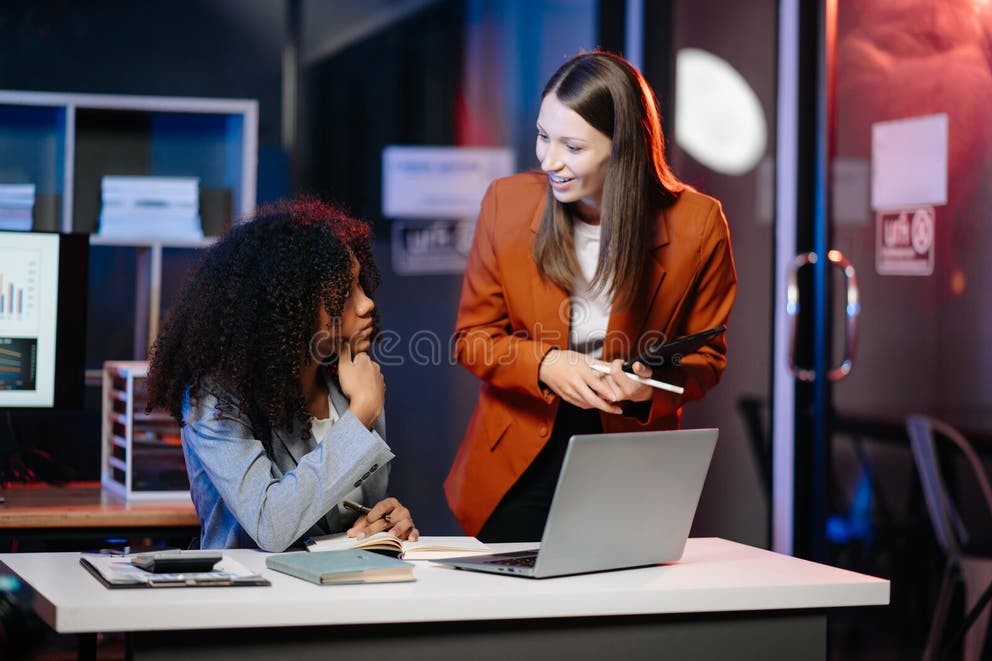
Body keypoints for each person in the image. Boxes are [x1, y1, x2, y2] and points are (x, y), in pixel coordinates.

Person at [444, 51, 738, 542]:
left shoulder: (699, 223)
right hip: (518, 456)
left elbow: (707, 358)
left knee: (619, 607)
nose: (548, 160)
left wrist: (650, 390)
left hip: (629, 457)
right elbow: (471, 338)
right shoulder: (506, 202)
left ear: (625, 147)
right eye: (543, 136)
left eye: (572, 146)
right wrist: (546, 364)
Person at [145, 198, 417, 551]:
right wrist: (361, 414)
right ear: (291, 309)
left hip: (340, 591)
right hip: (253, 597)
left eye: (360, 285)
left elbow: (339, 515)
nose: (367, 304)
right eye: (344, 294)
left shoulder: (350, 381)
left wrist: (380, 522)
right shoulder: (215, 399)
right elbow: (271, 525)